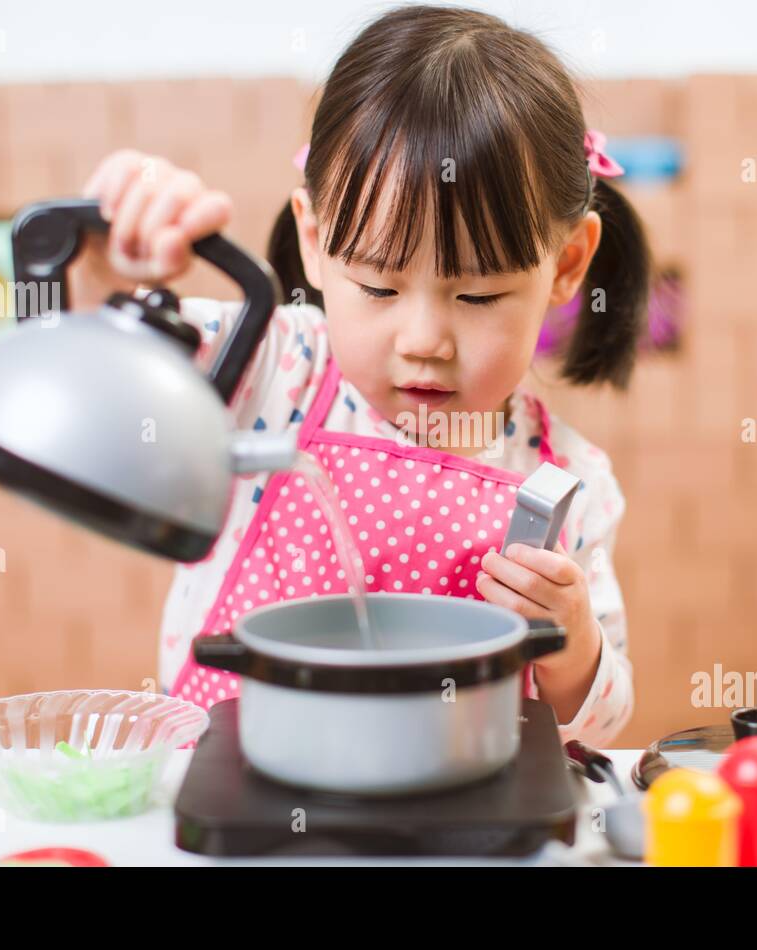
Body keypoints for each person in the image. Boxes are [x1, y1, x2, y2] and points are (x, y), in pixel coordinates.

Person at [72, 4, 650, 746]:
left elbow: (600, 720)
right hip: (238, 795)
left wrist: (570, 641)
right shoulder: (270, 368)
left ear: (567, 265)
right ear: (315, 243)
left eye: (477, 296)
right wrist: (101, 267)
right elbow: (101, 373)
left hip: (456, 815)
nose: (424, 341)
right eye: (378, 288)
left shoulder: (567, 479)